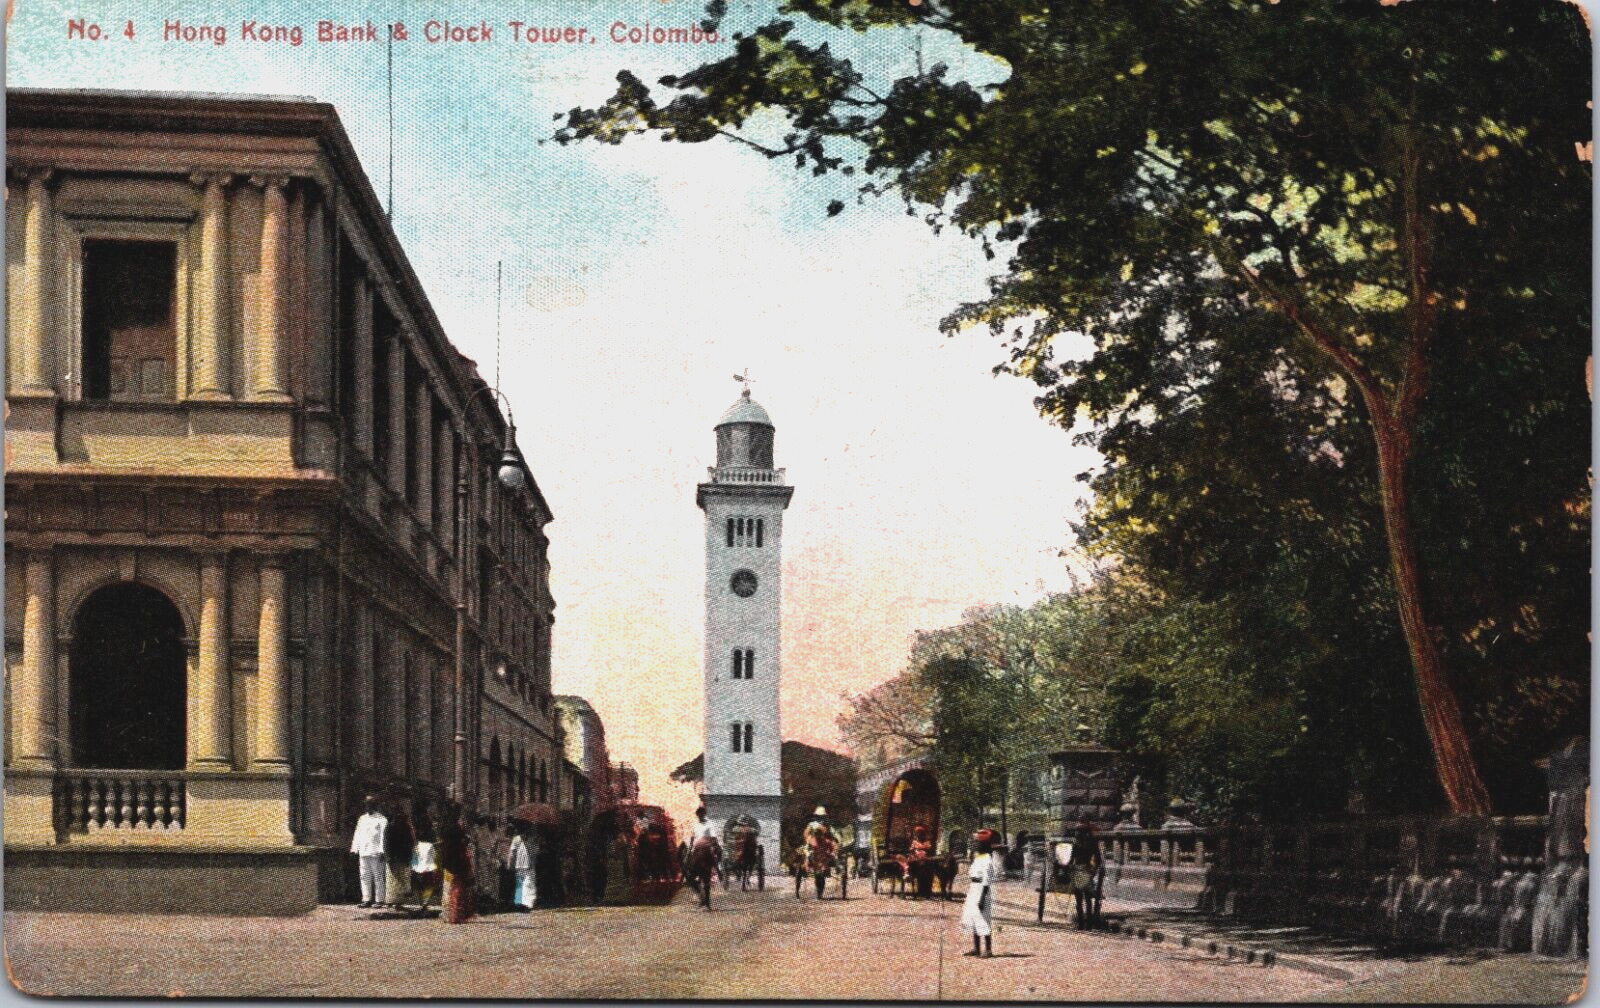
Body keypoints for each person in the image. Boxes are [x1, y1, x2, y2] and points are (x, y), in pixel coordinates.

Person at [962, 828, 998, 957]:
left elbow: (987, 880)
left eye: (978, 843)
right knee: (973, 917)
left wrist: (982, 899)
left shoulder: (987, 859)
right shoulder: (978, 857)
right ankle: (976, 948)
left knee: (983, 919)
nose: (975, 845)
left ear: (984, 845)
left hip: (982, 890)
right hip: (974, 888)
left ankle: (988, 949)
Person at [437, 800, 475, 924]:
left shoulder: (444, 825)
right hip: (457, 859)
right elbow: (462, 841)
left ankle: (447, 913)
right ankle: (455, 914)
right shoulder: (456, 827)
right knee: (457, 887)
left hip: (447, 858)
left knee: (448, 886)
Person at [350, 795, 388, 909]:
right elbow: (357, 834)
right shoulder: (362, 819)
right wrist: (354, 849)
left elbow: (383, 836)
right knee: (364, 876)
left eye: (370, 804)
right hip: (363, 851)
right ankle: (366, 899)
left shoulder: (382, 819)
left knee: (378, 876)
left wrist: (382, 851)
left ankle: (379, 900)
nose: (368, 807)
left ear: (375, 805)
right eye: (366, 804)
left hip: (376, 852)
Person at [1068, 823, 1104, 929]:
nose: (1076, 833)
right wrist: (1093, 872)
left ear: (1083, 832)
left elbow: (1071, 860)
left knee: (1080, 899)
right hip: (1085, 871)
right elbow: (1098, 861)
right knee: (1086, 899)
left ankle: (1082, 923)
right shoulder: (1091, 843)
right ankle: (1086, 923)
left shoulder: (1079, 843)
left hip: (1081, 870)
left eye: (1078, 831)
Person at [383, 803, 415, 910]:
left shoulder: (405, 827)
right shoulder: (390, 826)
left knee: (400, 880)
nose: (399, 815)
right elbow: (387, 843)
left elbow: (410, 842)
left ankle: (397, 902)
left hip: (402, 857)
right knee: (392, 880)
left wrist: (409, 855)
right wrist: (388, 857)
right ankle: (391, 901)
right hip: (395, 857)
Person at [409, 806, 441, 916]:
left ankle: (423, 904)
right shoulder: (425, 828)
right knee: (425, 880)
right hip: (423, 852)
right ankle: (424, 904)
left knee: (422, 879)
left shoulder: (418, 827)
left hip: (422, 852)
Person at [802, 806, 838, 899]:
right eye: (819, 816)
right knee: (808, 855)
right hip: (813, 846)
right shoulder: (811, 824)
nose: (821, 817)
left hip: (823, 848)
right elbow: (806, 834)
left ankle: (820, 892)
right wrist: (809, 839)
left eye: (822, 816)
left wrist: (832, 847)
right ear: (816, 816)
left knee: (821, 873)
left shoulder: (827, 825)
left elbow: (832, 836)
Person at [508, 824, 536, 911]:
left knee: (525, 885)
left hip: (527, 865)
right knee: (522, 885)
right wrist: (510, 863)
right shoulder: (518, 839)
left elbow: (534, 852)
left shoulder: (529, 839)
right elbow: (512, 852)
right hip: (522, 865)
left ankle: (525, 904)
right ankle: (521, 904)